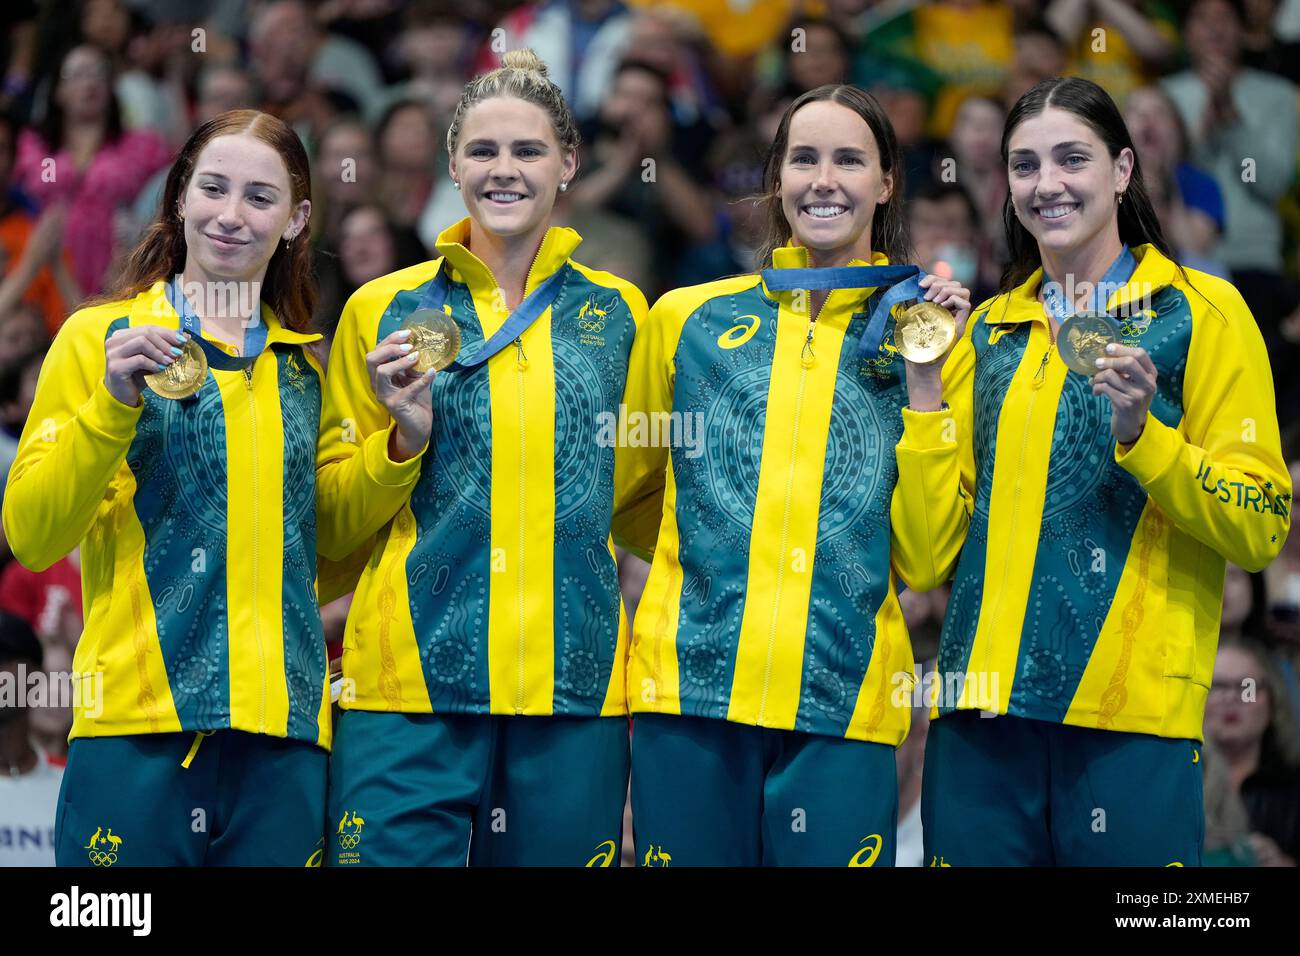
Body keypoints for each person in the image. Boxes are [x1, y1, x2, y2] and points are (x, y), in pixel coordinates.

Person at [913, 76, 1290, 866]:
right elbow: (926, 551)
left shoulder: (1203, 314)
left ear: (1122, 170)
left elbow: (1259, 525)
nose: (1046, 184)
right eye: (1024, 165)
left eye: (1071, 159)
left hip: (1131, 721)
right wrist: (923, 392)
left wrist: (1145, 436)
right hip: (979, 717)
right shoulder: (984, 331)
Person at [616, 83, 971, 866]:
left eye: (850, 159)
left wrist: (924, 382)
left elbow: (924, 556)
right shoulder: (686, 318)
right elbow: (629, 494)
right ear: (777, 177)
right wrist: (713, 549)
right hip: (692, 697)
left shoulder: (928, 335)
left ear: (885, 184)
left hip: (842, 704)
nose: (824, 179)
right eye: (804, 158)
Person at [317, 49, 647, 867]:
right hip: (405, 690)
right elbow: (330, 523)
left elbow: (644, 497)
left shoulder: (622, 313)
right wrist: (401, 442)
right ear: (454, 162)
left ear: (569, 163)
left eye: (529, 151)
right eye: (484, 151)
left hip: (571, 688)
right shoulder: (380, 309)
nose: (506, 170)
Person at [2, 109, 327, 866]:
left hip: (283, 738)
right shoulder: (96, 339)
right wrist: (112, 404)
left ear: (295, 219)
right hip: (135, 729)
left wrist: (400, 448)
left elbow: (330, 543)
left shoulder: (307, 370)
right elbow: (33, 533)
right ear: (180, 196)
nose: (230, 215)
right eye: (212, 187)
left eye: (259, 197)